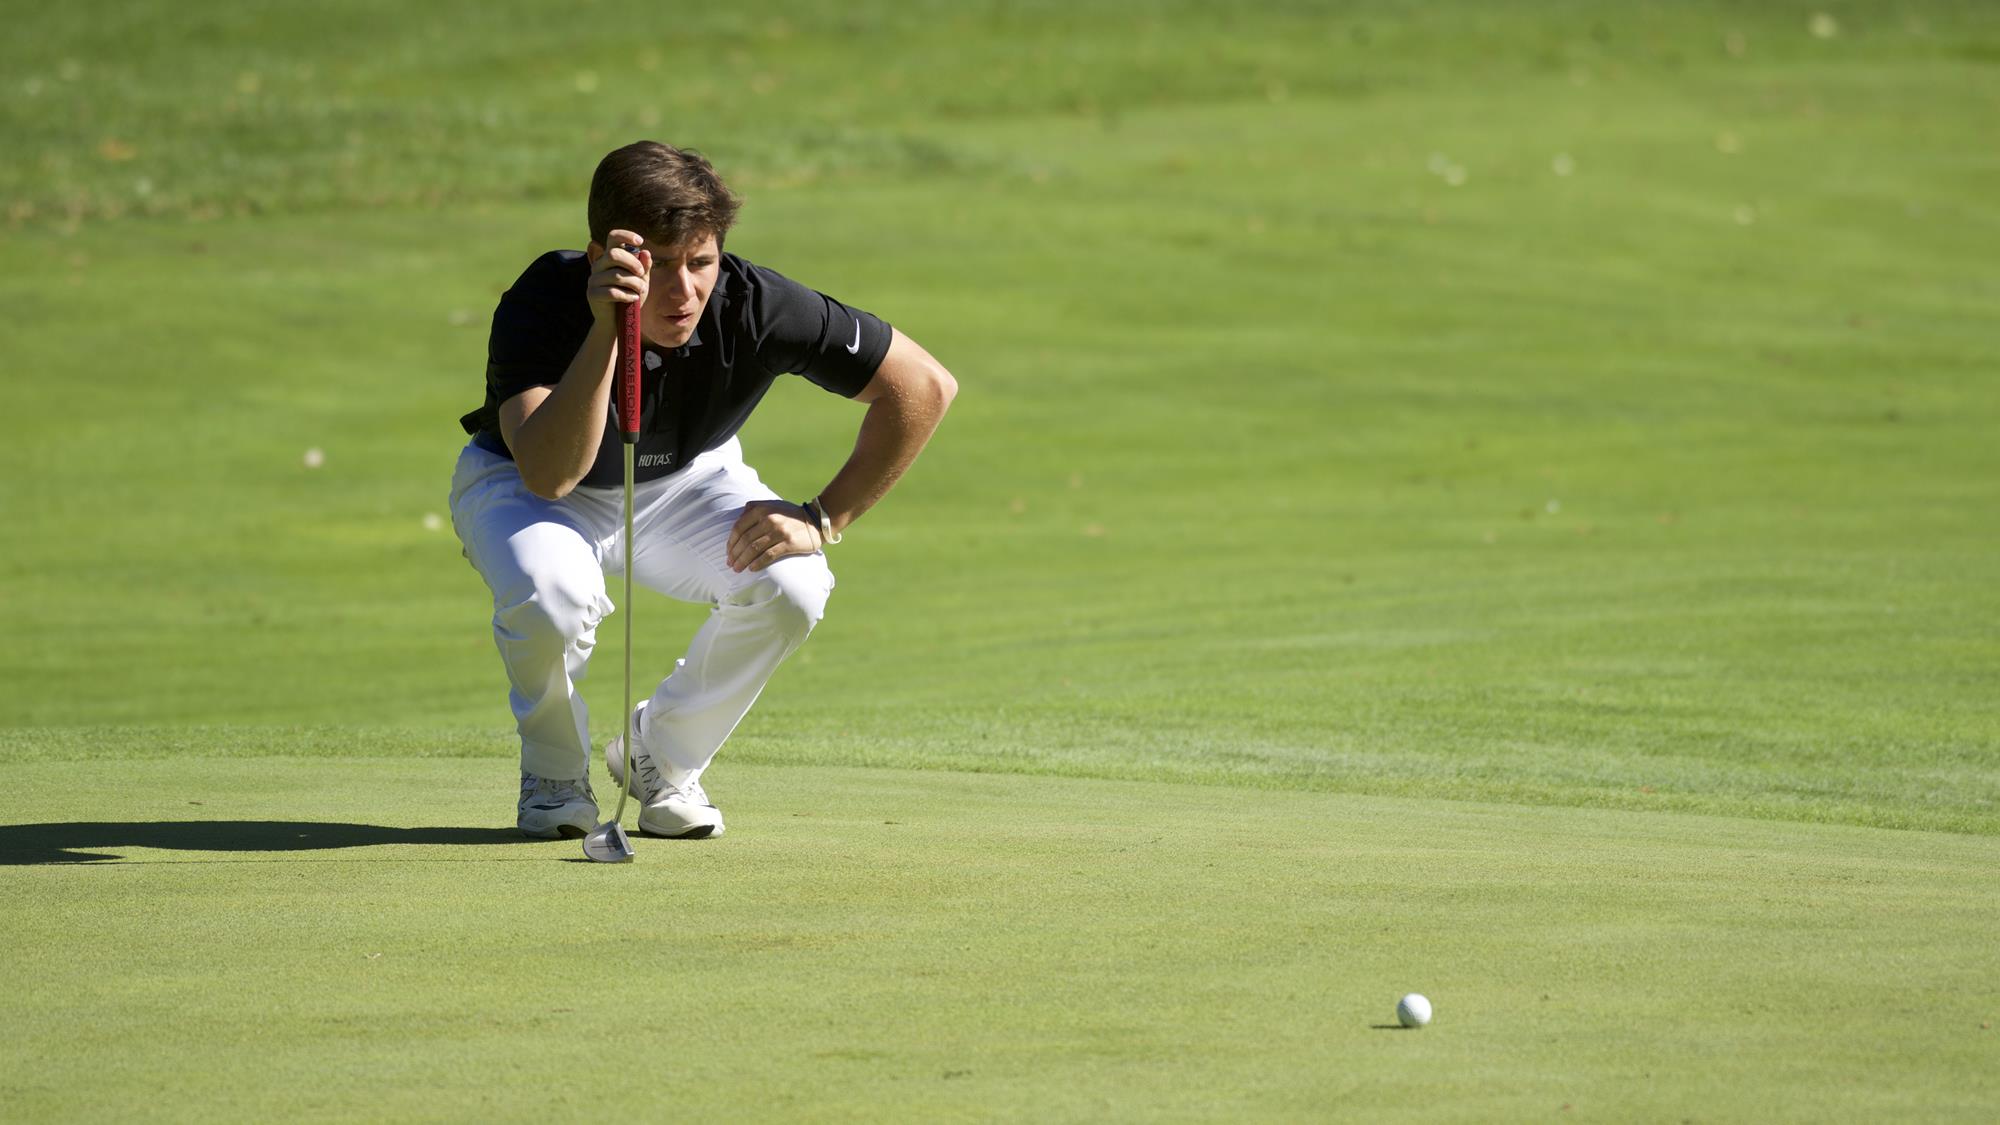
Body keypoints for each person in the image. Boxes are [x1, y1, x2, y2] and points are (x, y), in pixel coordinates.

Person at [449, 141, 956, 840]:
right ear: (601, 256)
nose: (684, 290)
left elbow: (923, 386)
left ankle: (661, 756)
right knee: (551, 592)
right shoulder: (543, 299)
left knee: (794, 583)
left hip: (685, 483)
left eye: (701, 261)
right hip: (526, 489)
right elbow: (549, 472)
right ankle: (555, 774)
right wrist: (607, 331)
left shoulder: (755, 303)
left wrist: (823, 517)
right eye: (659, 264)